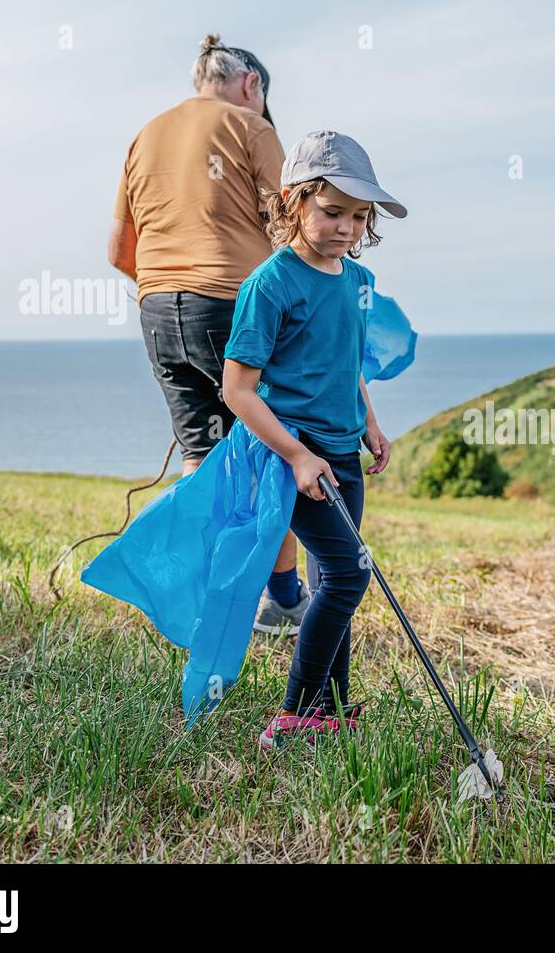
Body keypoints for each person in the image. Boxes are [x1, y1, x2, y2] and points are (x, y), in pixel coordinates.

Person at [107, 34, 311, 636]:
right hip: (233, 308)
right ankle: (282, 599)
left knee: (203, 458)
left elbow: (121, 251)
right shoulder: (250, 127)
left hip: (159, 312)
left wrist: (173, 287)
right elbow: (294, 232)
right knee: (276, 448)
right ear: (252, 85)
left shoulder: (145, 134)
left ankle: (198, 594)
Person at [217, 131, 404, 749]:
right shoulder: (270, 285)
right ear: (295, 201)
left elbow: (346, 359)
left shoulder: (355, 280)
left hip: (344, 451)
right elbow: (237, 391)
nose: (347, 228)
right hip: (292, 455)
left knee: (333, 580)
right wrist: (297, 454)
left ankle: (336, 709)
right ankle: (295, 716)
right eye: (332, 212)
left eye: (359, 216)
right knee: (351, 576)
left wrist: (369, 420)